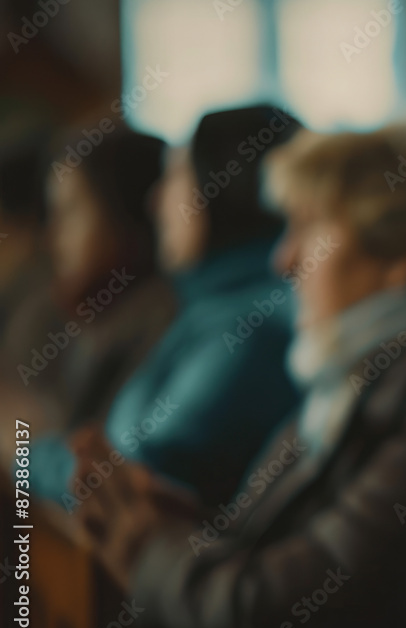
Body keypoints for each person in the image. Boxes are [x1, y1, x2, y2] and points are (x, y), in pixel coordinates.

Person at [72, 125, 406, 628]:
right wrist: (182, 528)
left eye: (310, 226)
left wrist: (151, 548)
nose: (284, 260)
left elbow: (287, 605)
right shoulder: (360, 371)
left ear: (399, 252)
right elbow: (268, 553)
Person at [32, 107, 302, 508]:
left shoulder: (250, 328)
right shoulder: (207, 310)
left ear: (221, 186)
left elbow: (133, 482)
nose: (157, 201)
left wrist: (25, 455)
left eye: (177, 177)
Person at [20, 127, 176, 479]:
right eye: (52, 214)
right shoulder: (88, 321)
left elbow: (97, 480)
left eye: (72, 212)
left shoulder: (160, 325)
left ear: (127, 216)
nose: (52, 236)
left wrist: (21, 446)